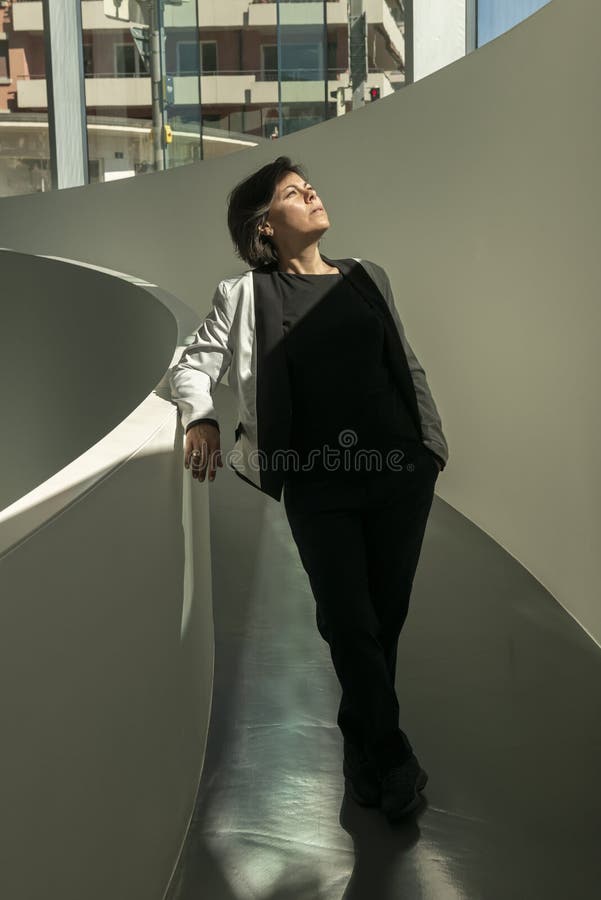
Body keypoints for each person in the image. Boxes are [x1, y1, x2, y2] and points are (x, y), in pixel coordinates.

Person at [169, 155, 449, 823]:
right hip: (318, 481)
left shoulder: (364, 276)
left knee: (383, 621)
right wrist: (201, 417)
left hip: (399, 475)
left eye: (308, 186)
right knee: (347, 620)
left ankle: (361, 750)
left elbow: (402, 363)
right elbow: (193, 362)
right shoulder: (242, 295)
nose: (312, 194)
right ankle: (391, 752)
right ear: (265, 227)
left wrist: (431, 448)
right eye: (294, 193)